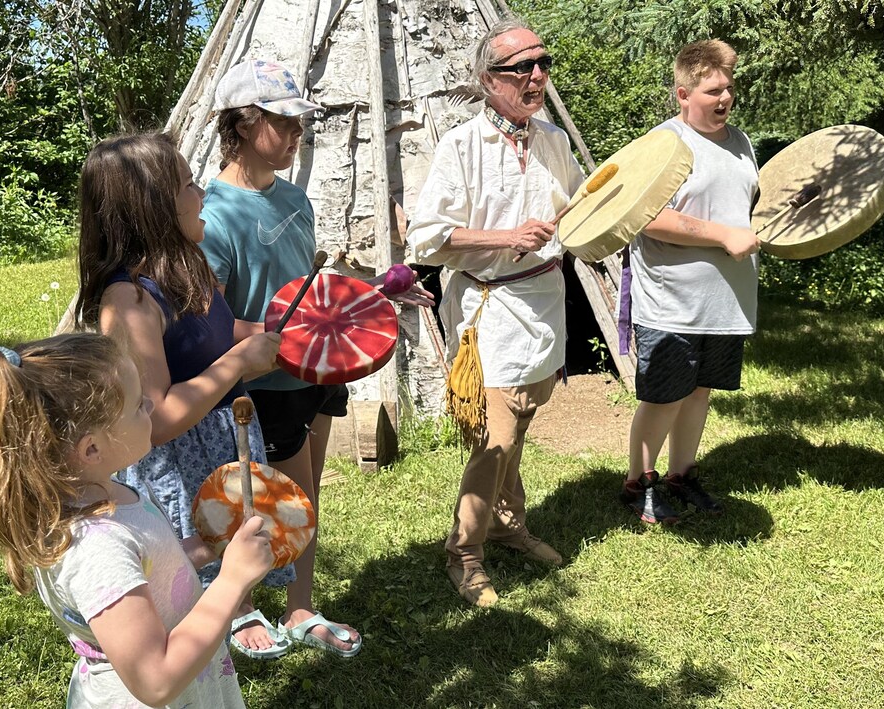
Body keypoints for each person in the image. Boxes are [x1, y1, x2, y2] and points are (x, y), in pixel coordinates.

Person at [200, 58, 432, 655]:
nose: (298, 133)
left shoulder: (297, 199)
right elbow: (210, 321)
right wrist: (293, 342)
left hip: (316, 376)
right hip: (260, 387)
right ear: (247, 124)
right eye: (286, 122)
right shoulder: (212, 216)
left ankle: (301, 607)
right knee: (255, 504)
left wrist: (373, 297)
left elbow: (310, 296)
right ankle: (242, 609)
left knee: (305, 499)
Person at [0, 333, 273, 708]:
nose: (151, 405)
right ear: (91, 448)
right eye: (137, 405)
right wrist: (232, 581)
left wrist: (205, 549)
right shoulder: (95, 548)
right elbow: (155, 680)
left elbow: (148, 567)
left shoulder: (112, 493)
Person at [74, 132, 293, 659]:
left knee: (230, 552)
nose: (203, 195)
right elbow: (159, 416)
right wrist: (239, 363)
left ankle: (228, 616)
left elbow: (212, 334)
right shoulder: (127, 300)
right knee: (182, 584)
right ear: (154, 208)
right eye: (190, 185)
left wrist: (264, 332)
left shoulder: (186, 267)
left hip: (224, 438)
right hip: (179, 461)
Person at [406, 19, 585, 607]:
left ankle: (508, 523)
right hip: (491, 307)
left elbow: (579, 210)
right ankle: (464, 551)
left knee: (523, 421)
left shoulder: (553, 140)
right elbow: (427, 240)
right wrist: (505, 236)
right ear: (489, 81)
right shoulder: (462, 146)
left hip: (543, 301)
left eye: (543, 63)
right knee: (494, 439)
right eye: (521, 68)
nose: (537, 77)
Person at [621, 39, 760, 523]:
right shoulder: (662, 146)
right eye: (711, 91)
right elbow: (643, 217)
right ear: (683, 94)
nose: (724, 100)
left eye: (728, 89)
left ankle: (682, 475)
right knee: (664, 397)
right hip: (672, 300)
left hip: (726, 299)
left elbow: (748, 209)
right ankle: (639, 484)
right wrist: (722, 235)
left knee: (699, 392)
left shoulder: (740, 143)